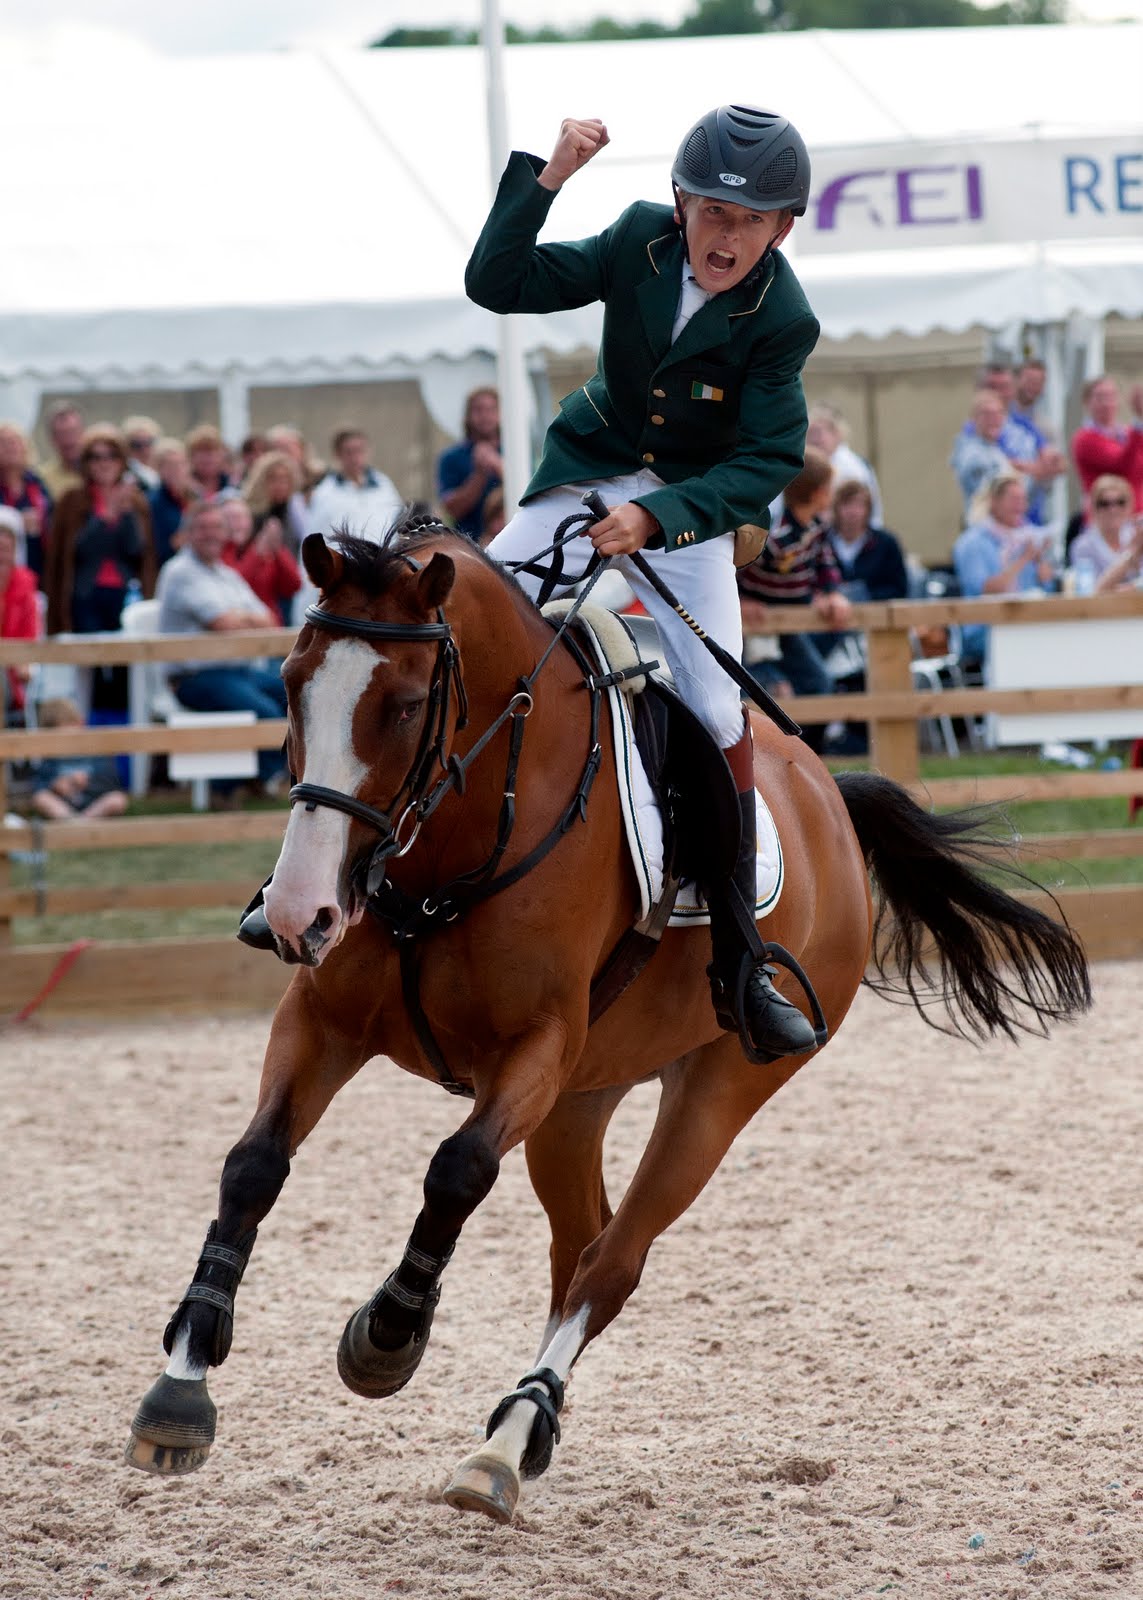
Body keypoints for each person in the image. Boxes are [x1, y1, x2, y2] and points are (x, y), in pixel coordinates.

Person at [468, 106, 823, 1061]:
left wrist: (658, 519)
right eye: (711, 212)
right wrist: (548, 180)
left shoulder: (783, 319)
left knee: (715, 707)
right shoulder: (635, 239)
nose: (727, 236)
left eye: (750, 222)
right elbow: (496, 283)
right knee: (464, 635)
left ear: (782, 229)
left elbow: (766, 459)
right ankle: (345, 868)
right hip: (583, 479)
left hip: (690, 515)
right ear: (678, 206)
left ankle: (742, 963)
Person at [156, 499, 287, 790]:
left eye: (216, 527)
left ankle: (263, 776)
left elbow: (269, 618)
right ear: (189, 533)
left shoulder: (226, 574)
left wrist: (239, 618)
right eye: (202, 528)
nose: (210, 534)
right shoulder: (179, 571)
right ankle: (233, 786)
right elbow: (223, 623)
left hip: (238, 671)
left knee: (296, 695)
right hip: (194, 677)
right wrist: (241, 619)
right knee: (265, 712)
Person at [736, 449, 853, 754]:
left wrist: (831, 592)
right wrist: (740, 600)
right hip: (759, 624)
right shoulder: (776, 537)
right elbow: (740, 567)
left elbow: (825, 563)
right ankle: (767, 753)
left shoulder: (817, 528)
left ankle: (808, 753)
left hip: (792, 622)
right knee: (764, 688)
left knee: (819, 684)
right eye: (829, 488)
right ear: (817, 493)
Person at [44, 425, 155, 636]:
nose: (104, 463)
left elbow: (138, 550)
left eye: (111, 456)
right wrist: (104, 517)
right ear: (87, 463)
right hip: (85, 593)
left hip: (125, 592)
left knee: (124, 663)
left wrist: (127, 514)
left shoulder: (135, 501)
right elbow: (76, 551)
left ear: (122, 461)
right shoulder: (72, 500)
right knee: (90, 660)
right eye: (96, 457)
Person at [953, 472, 1057, 674]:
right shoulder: (972, 543)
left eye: (1023, 500)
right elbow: (985, 589)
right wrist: (1024, 559)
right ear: (994, 502)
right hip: (984, 629)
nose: (1020, 506)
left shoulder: (1027, 538)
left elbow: (1047, 588)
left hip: (1027, 622)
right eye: (1013, 499)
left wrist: (1041, 566)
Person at [29, 697, 128, 820]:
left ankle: (79, 824)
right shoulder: (50, 758)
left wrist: (89, 782)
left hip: (94, 804)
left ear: (80, 724)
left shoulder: (95, 750)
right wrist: (54, 786)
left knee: (117, 799)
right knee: (41, 798)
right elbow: (38, 785)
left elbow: (112, 782)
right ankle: (73, 823)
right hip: (64, 805)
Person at [305, 428, 403, 543]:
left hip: (385, 558)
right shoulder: (325, 493)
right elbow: (313, 536)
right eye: (349, 452)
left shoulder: (384, 485)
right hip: (345, 559)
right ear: (337, 454)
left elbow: (399, 523)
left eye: (359, 451)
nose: (355, 458)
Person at [437, 387, 504, 540]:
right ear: (467, 415)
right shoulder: (450, 457)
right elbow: (452, 510)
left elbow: (532, 495)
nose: (485, 416)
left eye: (491, 409)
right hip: (468, 546)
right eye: (478, 410)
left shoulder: (517, 453)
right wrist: (479, 475)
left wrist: (500, 467)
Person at [1071, 376, 1143, 514]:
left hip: (1136, 516)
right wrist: (1138, 421)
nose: (1107, 403)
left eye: (1111, 396)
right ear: (1087, 402)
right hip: (1106, 519)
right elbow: (1123, 466)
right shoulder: (1085, 439)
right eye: (1100, 397)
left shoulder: (1128, 433)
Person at [805, 403, 883, 527]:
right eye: (810, 433)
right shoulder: (808, 464)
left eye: (818, 432)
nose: (814, 439)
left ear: (836, 434)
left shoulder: (852, 467)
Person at [1066, 474, 1143, 593]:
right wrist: (1131, 554)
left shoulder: (1135, 535)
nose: (1113, 509)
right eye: (1104, 503)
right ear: (1093, 508)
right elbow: (1092, 591)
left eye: (1120, 502)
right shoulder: (1083, 546)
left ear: (1129, 505)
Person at [0, 421, 53, 581]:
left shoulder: (37, 484)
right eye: (3, 442)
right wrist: (17, 523)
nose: (11, 447)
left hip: (38, 566)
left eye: (15, 442)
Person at [950, 390, 1014, 518]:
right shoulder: (971, 454)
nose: (994, 420)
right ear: (974, 419)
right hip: (984, 526)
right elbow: (989, 494)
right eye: (987, 415)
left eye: (999, 414)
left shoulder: (994, 449)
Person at [0, 516, 38, 721]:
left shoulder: (24, 584)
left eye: (6, 550)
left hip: (14, 669)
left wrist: (23, 662)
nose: (2, 556)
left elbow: (30, 632)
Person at [243, 449, 308, 554]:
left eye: (285, 479)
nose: (280, 485)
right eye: (273, 479)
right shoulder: (252, 514)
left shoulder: (297, 512)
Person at [147, 437, 196, 568]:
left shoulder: (195, 497)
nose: (176, 470)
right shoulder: (152, 502)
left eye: (180, 464)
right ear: (158, 469)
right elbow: (154, 547)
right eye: (169, 465)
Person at [38, 401, 85, 502]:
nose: (69, 441)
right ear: (52, 439)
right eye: (62, 434)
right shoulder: (41, 478)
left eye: (72, 432)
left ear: (83, 433)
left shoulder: (100, 472)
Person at [186, 423, 232, 500]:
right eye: (200, 451)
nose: (206, 458)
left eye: (210, 451)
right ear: (191, 456)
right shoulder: (180, 490)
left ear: (221, 454)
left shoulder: (232, 485)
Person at [123, 415, 161, 492]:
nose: (144, 449)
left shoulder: (162, 469)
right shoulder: (127, 476)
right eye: (136, 445)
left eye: (148, 443)